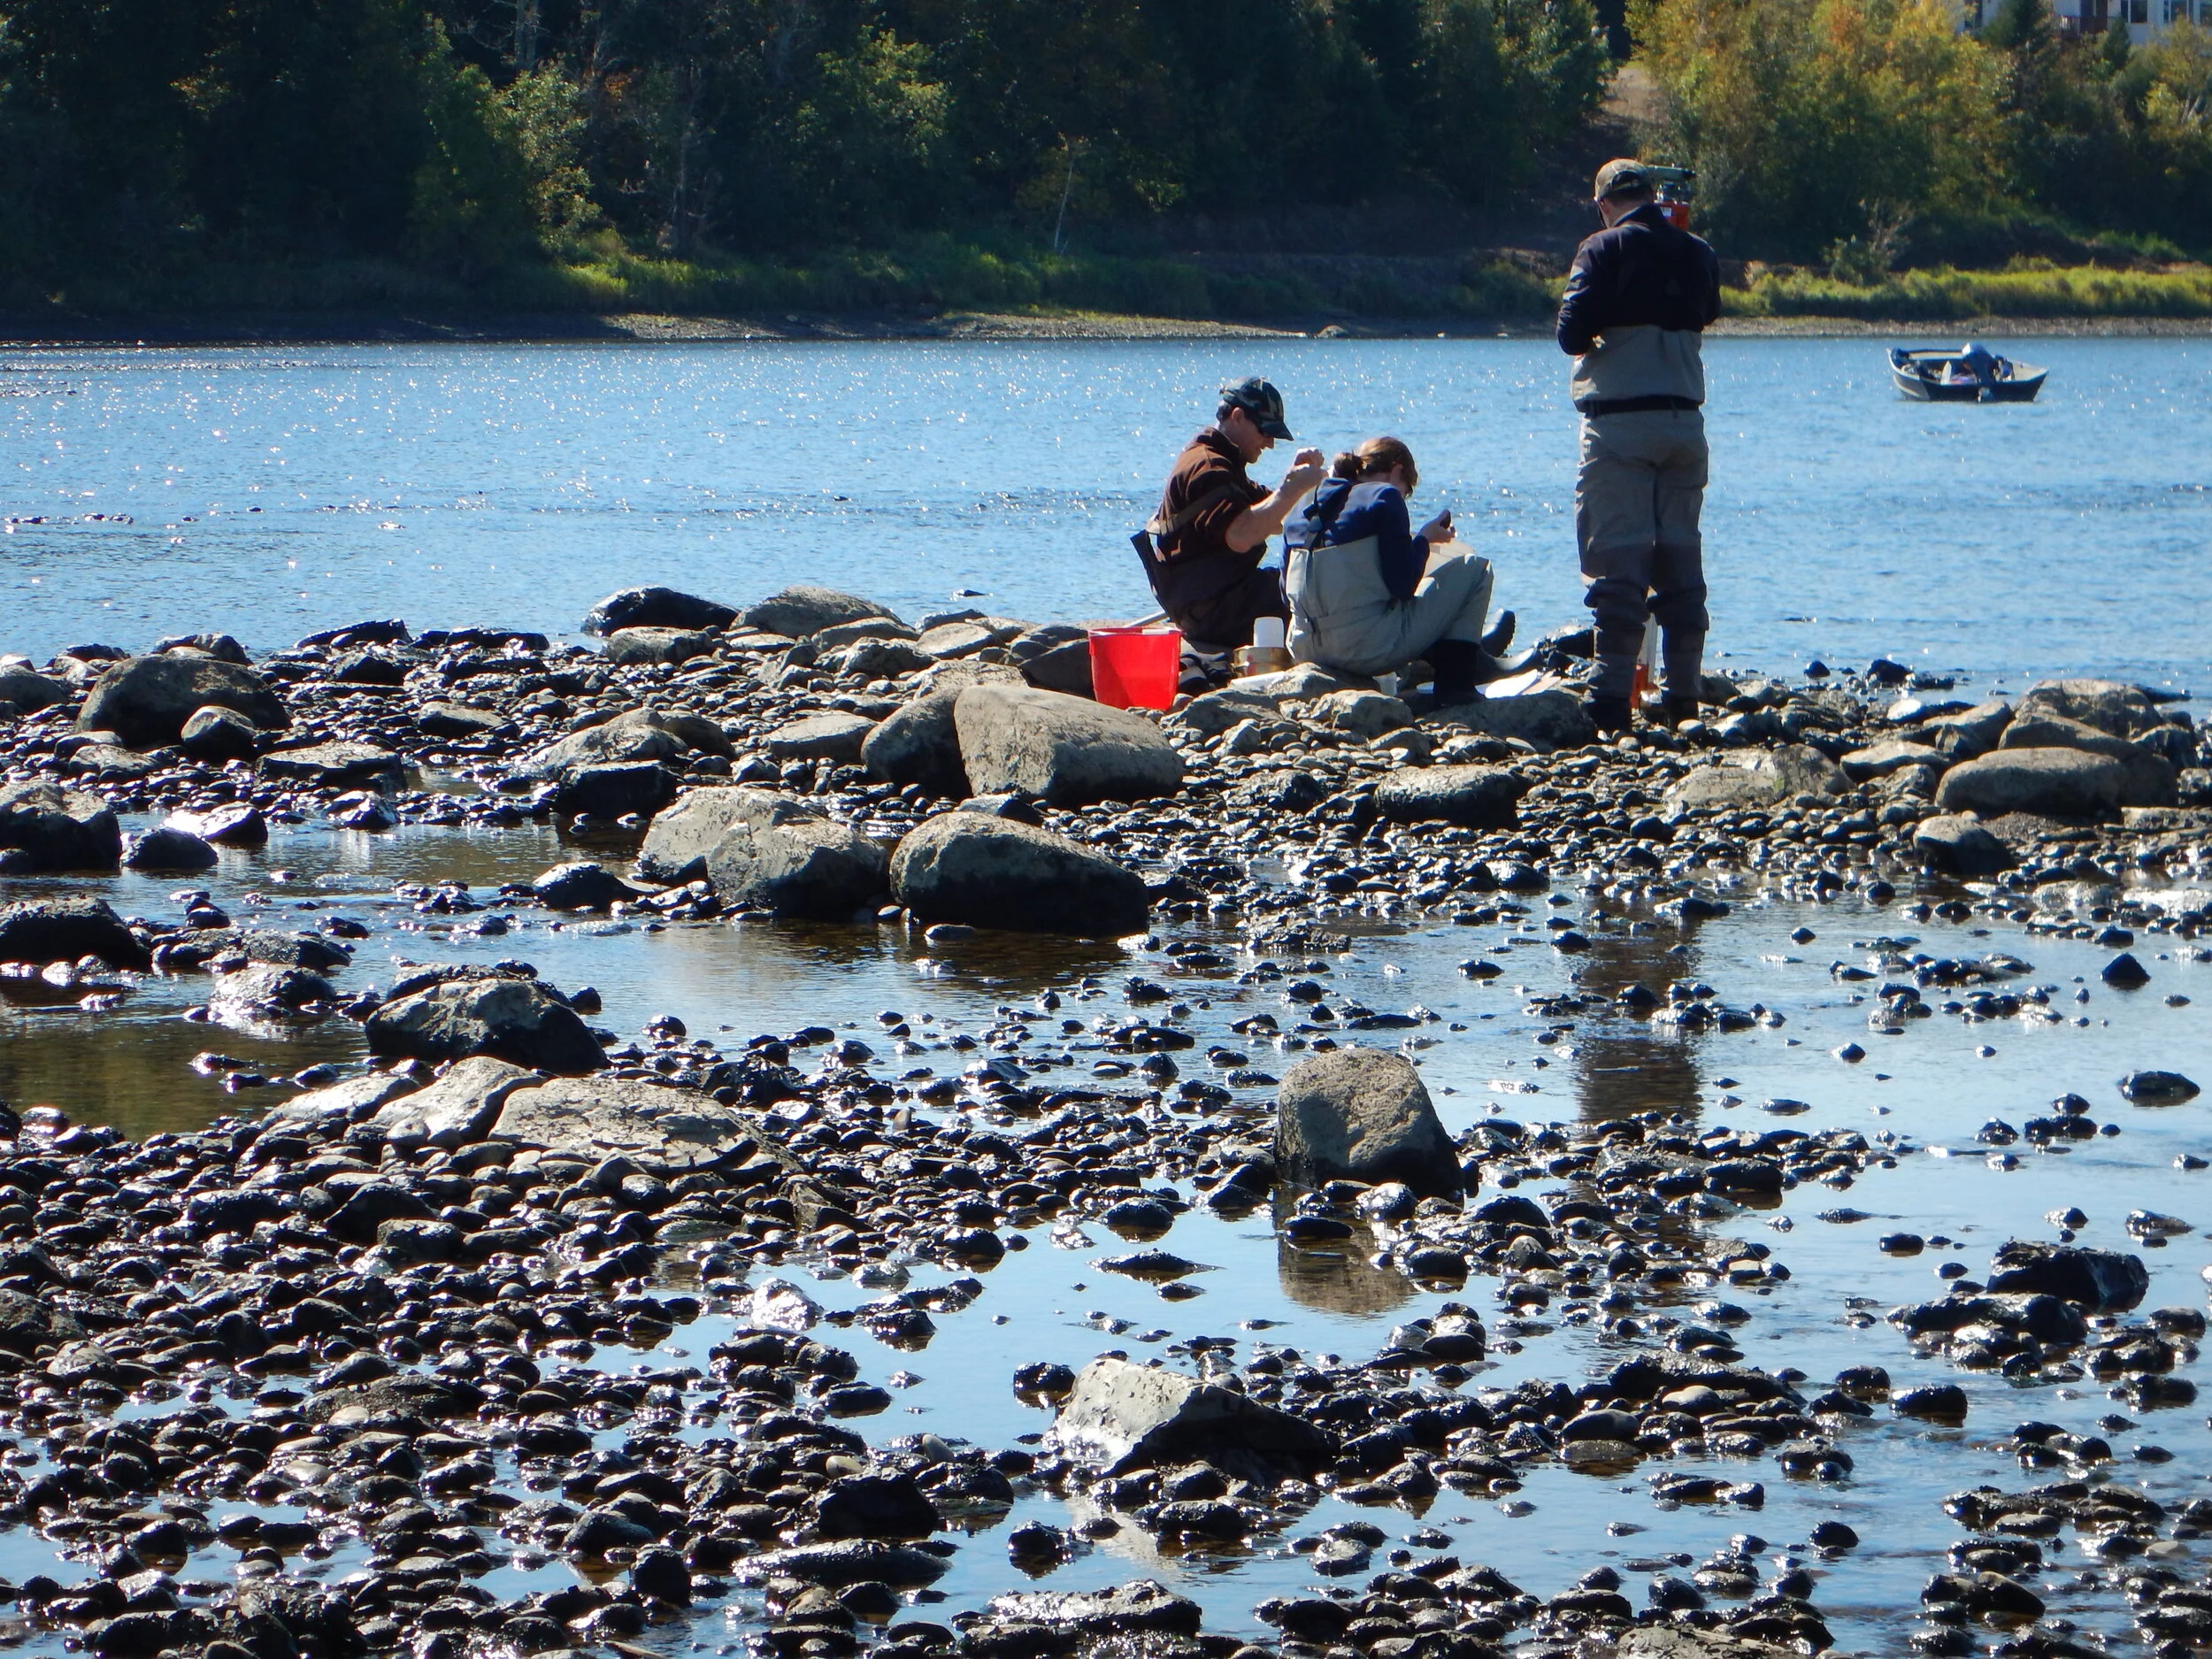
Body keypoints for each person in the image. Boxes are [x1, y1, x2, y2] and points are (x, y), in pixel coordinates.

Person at [1556, 157, 1722, 734]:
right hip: (1684, 425)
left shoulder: (1601, 248)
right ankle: (1684, 698)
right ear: (1651, 196)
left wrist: (1609, 328)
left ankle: (1609, 701)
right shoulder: (1698, 251)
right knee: (1681, 561)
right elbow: (1708, 313)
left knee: (1617, 564)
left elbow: (1570, 334)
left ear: (1604, 204)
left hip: (1620, 426)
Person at [1282, 437, 1495, 703]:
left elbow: (1285, 594)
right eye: (1406, 490)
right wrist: (1423, 540)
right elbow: (1403, 586)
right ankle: (1457, 685)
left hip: (1304, 648)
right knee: (1476, 569)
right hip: (1365, 651)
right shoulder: (1385, 496)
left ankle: (1456, 654)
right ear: (1396, 471)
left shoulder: (1303, 504)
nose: (1403, 496)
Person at [1143, 378, 1326, 652]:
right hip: (1215, 612)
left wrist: (1306, 483)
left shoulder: (1221, 461)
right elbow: (1241, 536)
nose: (1270, 443)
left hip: (1212, 602)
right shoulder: (1208, 467)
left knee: (1302, 579)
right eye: (1266, 431)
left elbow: (1270, 515)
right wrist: (1292, 487)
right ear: (1238, 416)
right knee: (1314, 591)